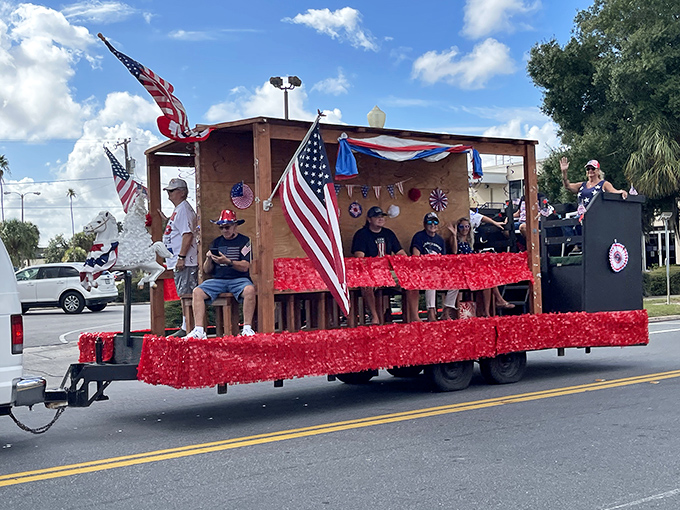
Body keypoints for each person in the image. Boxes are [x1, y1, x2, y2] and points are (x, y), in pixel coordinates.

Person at [185, 209, 256, 339]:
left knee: (250, 290)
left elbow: (246, 266)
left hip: (239, 279)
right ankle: (199, 330)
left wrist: (228, 262)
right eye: (221, 227)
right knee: (197, 292)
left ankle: (247, 328)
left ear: (235, 226)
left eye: (227, 227)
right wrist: (209, 258)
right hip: (218, 280)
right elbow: (207, 270)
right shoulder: (216, 242)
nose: (224, 230)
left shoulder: (245, 241)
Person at [442, 217, 514, 318]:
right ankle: (498, 300)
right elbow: (454, 252)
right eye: (462, 226)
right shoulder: (455, 240)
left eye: (467, 226)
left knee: (488, 279)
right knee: (487, 277)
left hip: (471, 270)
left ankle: (487, 311)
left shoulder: (469, 242)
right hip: (462, 271)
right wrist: (454, 235)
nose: (465, 229)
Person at [351, 206, 407, 325]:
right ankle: (374, 316)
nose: (380, 219)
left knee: (411, 280)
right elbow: (359, 258)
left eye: (382, 216)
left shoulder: (389, 233)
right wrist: (375, 266)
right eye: (377, 216)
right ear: (369, 219)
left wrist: (401, 262)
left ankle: (413, 316)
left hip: (389, 271)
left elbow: (401, 253)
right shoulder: (362, 234)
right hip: (371, 272)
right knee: (365, 283)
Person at [161, 178, 198, 337]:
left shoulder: (183, 210)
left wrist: (181, 257)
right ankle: (187, 325)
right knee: (184, 293)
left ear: (182, 192)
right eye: (168, 191)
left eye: (172, 191)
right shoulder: (179, 210)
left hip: (186, 261)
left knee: (187, 294)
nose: (169, 194)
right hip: (178, 259)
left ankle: (188, 326)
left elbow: (187, 234)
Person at [409, 212, 446, 321]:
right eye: (430, 222)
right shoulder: (419, 236)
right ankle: (431, 312)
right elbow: (415, 256)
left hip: (438, 271)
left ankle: (447, 311)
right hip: (423, 270)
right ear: (424, 224)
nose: (433, 224)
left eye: (435, 222)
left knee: (456, 282)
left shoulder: (440, 240)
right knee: (431, 276)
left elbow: (444, 260)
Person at [561, 157, 628, 214]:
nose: (590, 170)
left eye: (593, 168)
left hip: (597, 216)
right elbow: (567, 186)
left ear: (598, 171)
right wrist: (564, 172)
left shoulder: (604, 184)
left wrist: (621, 192)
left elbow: (614, 191)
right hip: (582, 217)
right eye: (588, 169)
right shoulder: (582, 185)